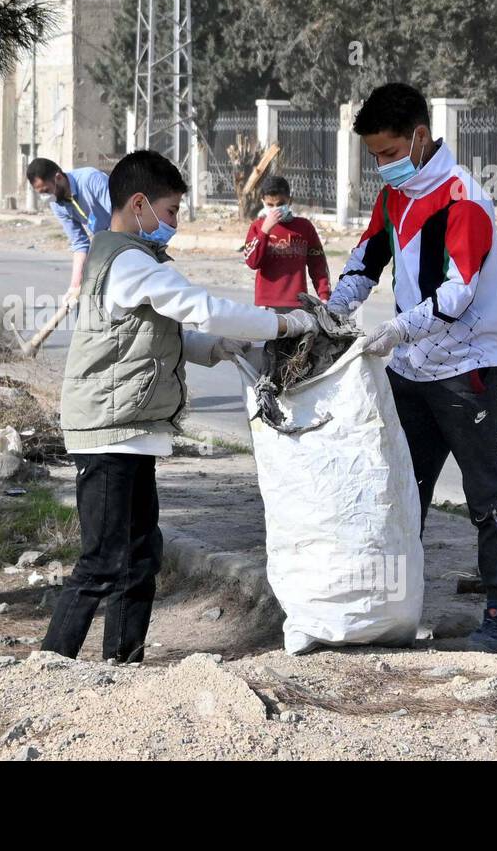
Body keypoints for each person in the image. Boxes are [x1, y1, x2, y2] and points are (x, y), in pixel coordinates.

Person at [43, 149, 318, 663]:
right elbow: (204, 308)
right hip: (109, 430)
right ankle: (51, 666)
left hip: (129, 428)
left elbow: (153, 334)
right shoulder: (129, 262)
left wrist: (216, 348)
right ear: (140, 204)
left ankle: (121, 666)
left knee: (140, 556)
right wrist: (285, 324)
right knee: (103, 560)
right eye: (170, 212)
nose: (175, 224)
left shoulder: (121, 256)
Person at [327, 82, 497, 653]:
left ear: (418, 136)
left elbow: (459, 291)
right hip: (411, 371)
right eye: (374, 157)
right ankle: (394, 609)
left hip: (466, 371)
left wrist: (398, 329)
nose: (382, 166)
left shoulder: (464, 200)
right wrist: (331, 312)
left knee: (489, 497)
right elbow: (366, 259)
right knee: (401, 492)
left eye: (388, 153)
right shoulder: (396, 197)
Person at [27, 158, 112, 302]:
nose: (45, 197)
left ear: (58, 178)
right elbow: (79, 243)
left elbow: (121, 216)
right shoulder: (57, 204)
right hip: (106, 242)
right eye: (41, 193)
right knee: (88, 302)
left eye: (46, 190)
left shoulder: (91, 180)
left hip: (130, 238)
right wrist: (74, 286)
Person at [242, 174, 332, 311]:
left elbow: (318, 264)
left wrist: (324, 295)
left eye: (280, 204)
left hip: (298, 304)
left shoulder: (304, 227)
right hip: (267, 305)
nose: (275, 209)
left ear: (290, 201)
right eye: (270, 205)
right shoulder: (257, 227)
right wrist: (265, 231)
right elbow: (252, 262)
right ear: (263, 202)